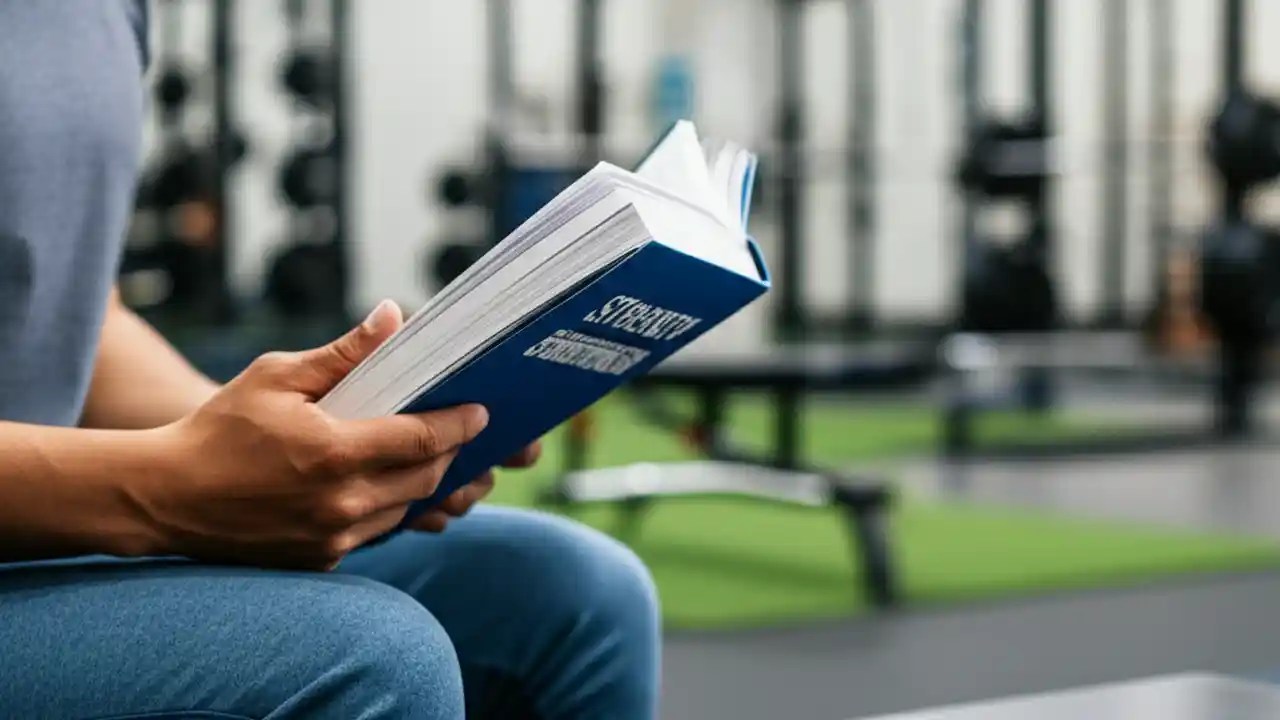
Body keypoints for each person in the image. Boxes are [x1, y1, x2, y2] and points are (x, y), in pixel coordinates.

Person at [0, 3, 660, 718]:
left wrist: (318, 447)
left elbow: (74, 314)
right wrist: (161, 487)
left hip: (55, 535)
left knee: (575, 593)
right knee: (374, 659)